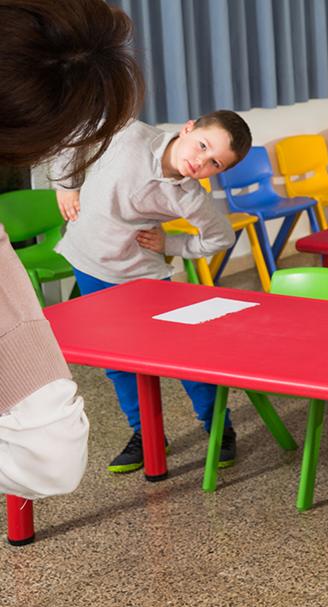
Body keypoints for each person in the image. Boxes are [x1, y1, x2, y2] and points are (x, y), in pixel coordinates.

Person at [51, 110, 252, 474]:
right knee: (118, 364)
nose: (199, 161)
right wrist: (66, 184)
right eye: (202, 145)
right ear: (188, 127)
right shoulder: (128, 134)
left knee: (182, 357)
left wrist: (171, 244)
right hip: (89, 264)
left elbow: (221, 236)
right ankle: (147, 434)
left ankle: (219, 428)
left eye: (214, 164)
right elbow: (74, 132)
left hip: (143, 279)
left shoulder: (188, 196)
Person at [0, 0, 143, 499]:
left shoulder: (151, 158)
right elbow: (51, 460)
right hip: (90, 263)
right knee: (118, 366)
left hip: (133, 273)